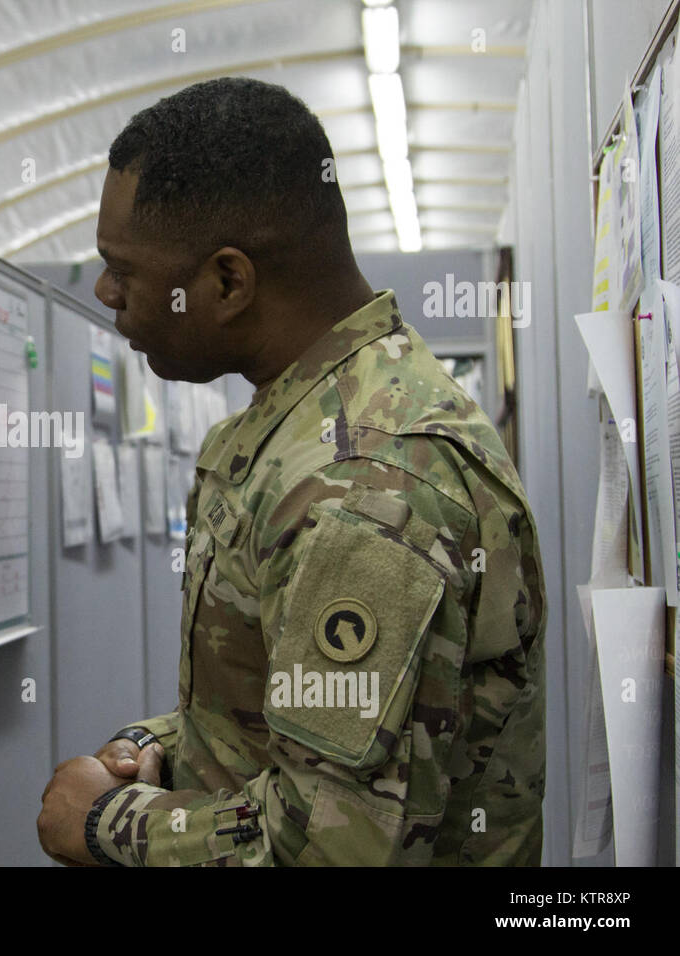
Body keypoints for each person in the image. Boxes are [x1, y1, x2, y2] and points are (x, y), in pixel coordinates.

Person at [37, 78, 546, 866]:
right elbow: (297, 718)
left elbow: (331, 842)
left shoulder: (368, 486)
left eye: (122, 270)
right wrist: (158, 742)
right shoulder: (294, 430)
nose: (106, 294)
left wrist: (107, 824)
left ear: (229, 282)